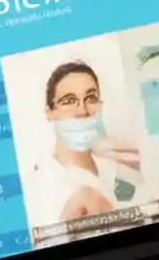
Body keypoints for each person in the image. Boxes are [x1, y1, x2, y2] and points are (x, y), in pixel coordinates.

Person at [30, 61, 141, 228]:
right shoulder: (45, 185)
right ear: (50, 113)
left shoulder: (114, 168)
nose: (82, 111)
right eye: (68, 101)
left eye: (91, 98)